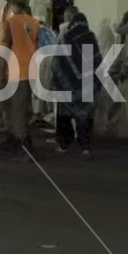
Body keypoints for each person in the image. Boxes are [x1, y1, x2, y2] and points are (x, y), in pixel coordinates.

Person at [0, 0, 40, 157]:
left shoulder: (11, 22)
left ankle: (26, 148)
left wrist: (0, 72)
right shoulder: (34, 22)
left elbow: (5, 48)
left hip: (16, 70)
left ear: (14, 7)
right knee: (21, 107)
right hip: (30, 69)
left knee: (17, 110)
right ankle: (14, 139)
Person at [53, 12, 100, 157]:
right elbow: (97, 61)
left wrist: (58, 81)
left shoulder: (66, 37)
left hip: (67, 85)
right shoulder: (90, 36)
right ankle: (85, 147)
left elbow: (57, 63)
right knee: (85, 117)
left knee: (64, 117)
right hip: (87, 84)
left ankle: (63, 145)